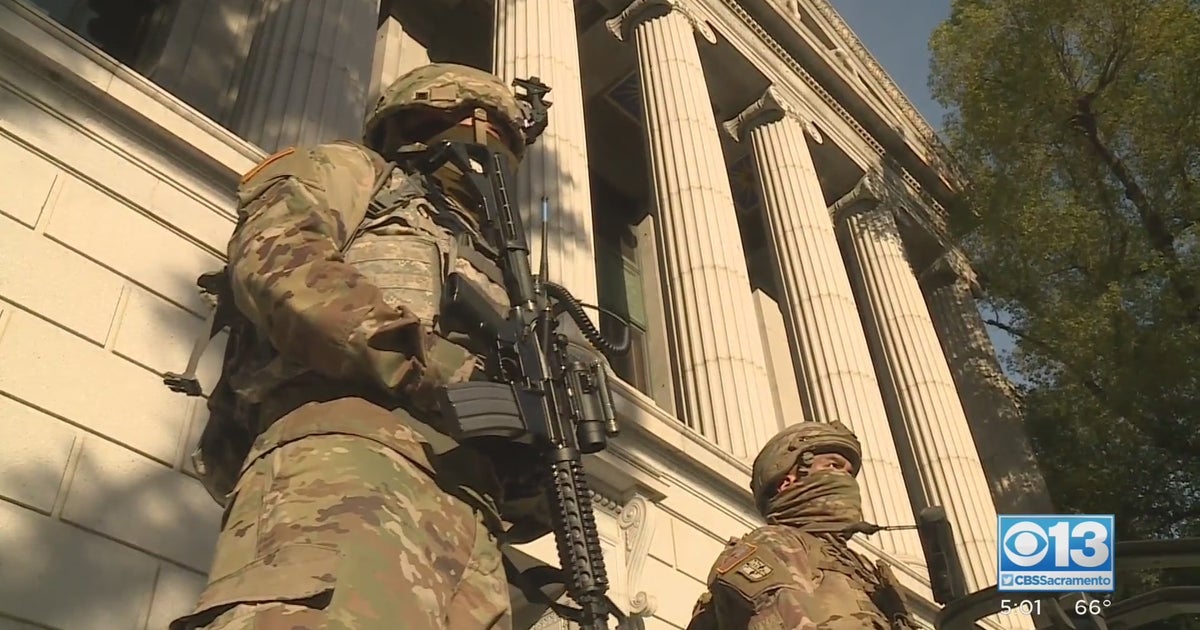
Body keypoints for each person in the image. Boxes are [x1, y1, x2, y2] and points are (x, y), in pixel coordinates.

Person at [169, 63, 549, 630]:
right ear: (430, 118)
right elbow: (280, 262)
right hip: (348, 459)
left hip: (473, 516)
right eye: (483, 128)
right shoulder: (358, 174)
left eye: (501, 139)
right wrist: (434, 365)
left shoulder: (502, 264)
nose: (490, 151)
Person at [686, 421, 917, 630]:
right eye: (834, 466)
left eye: (849, 474)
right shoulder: (776, 543)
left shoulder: (866, 570)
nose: (846, 480)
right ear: (788, 482)